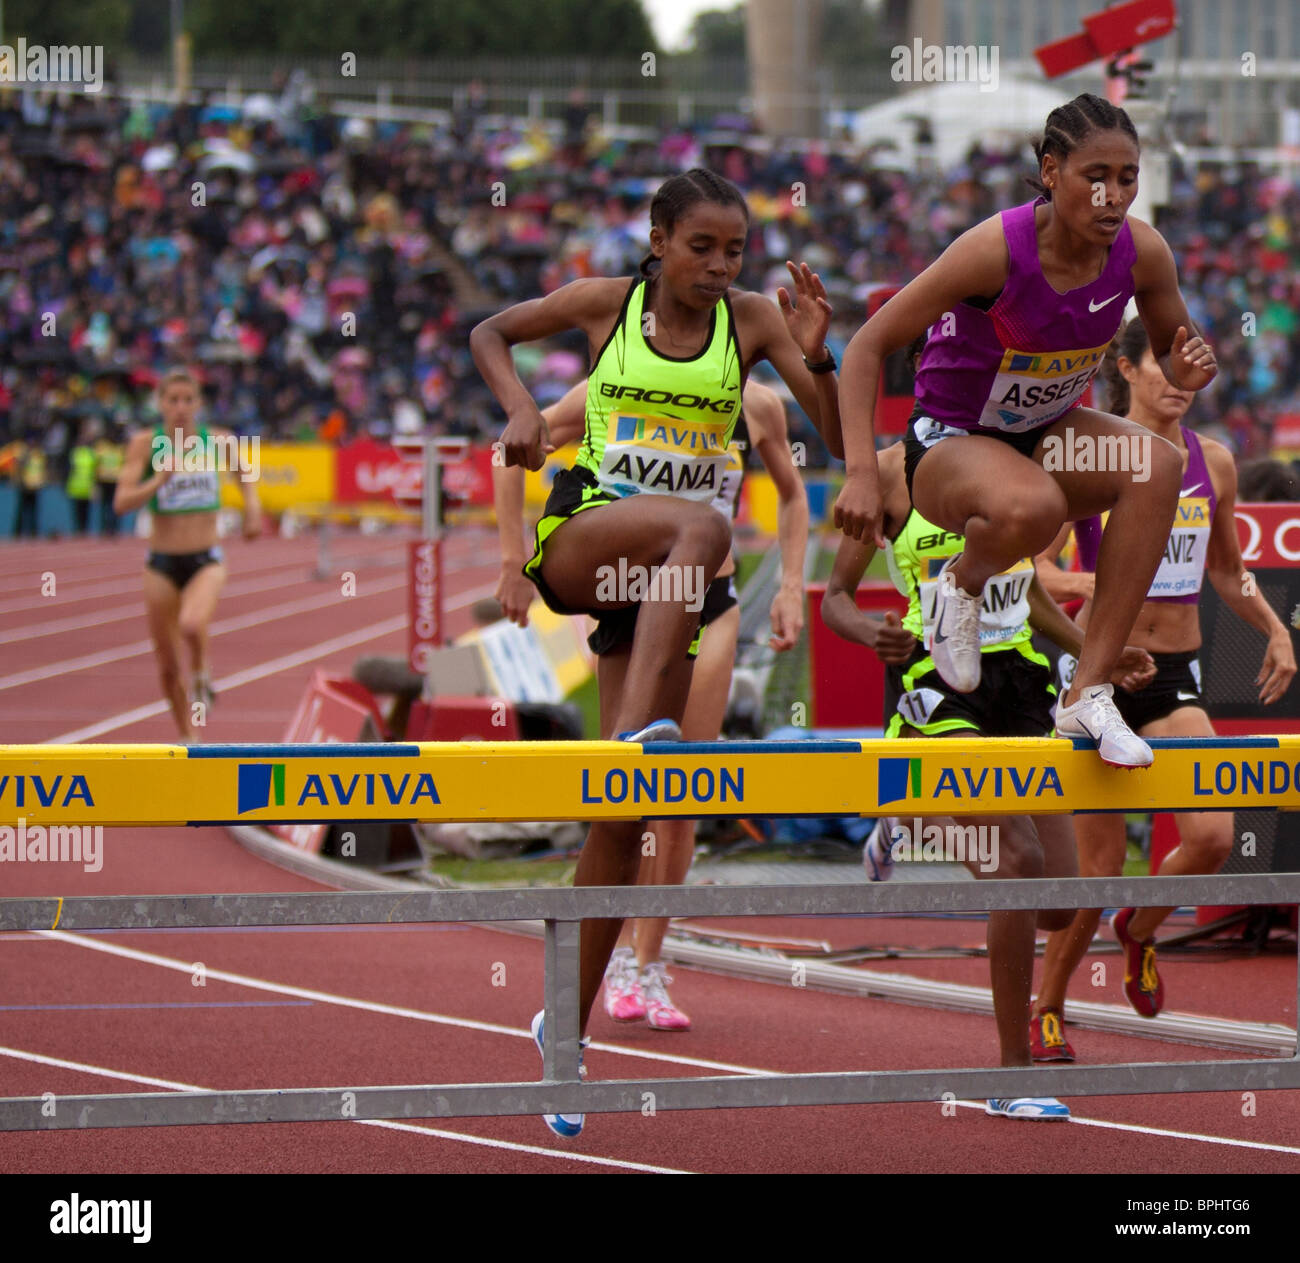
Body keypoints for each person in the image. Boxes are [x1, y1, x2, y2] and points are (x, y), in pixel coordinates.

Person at [471, 167, 842, 1136]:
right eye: (700, 248)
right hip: (591, 540)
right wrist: (517, 408)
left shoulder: (755, 322)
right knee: (701, 527)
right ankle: (636, 738)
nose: (720, 268)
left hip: (675, 588)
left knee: (621, 827)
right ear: (658, 240)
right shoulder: (607, 305)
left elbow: (838, 437)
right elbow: (489, 332)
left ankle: (565, 1026)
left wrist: (820, 354)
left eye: (734, 251)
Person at [832, 93, 1218, 769]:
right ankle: (962, 582)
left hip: (1044, 432)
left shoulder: (1142, 254)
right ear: (1050, 171)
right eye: (1096, 175)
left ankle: (1086, 692)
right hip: (949, 441)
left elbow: (1175, 349)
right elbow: (867, 345)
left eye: (1129, 177)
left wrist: (1190, 363)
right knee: (1034, 504)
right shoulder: (993, 250)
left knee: (1158, 465)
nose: (1114, 194)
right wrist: (864, 472)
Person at [823, 402, 1153, 1122]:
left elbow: (1026, 590)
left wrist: (1091, 650)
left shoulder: (1022, 459)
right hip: (937, 679)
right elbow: (836, 599)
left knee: (1061, 903)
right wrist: (868, 634)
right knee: (1015, 861)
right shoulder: (888, 470)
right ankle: (1011, 1071)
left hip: (1023, 679)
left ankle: (906, 810)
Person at [494, 377, 809, 1032]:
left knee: (683, 790)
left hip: (712, 600)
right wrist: (510, 561)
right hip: (630, 595)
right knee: (626, 788)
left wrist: (790, 585)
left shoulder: (758, 405)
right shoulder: (619, 380)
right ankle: (606, 955)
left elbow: (791, 491)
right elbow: (510, 451)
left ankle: (648, 960)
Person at [1029, 320, 1296, 1056]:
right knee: (1099, 868)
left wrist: (1274, 625)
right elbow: (1035, 569)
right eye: (1165, 366)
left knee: (1212, 836)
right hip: (1099, 674)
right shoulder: (1093, 455)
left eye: (1192, 369)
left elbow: (1225, 569)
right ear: (1126, 366)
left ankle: (1139, 929)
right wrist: (1084, 578)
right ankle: (1047, 1005)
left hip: (1176, 676)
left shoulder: (1213, 461)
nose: (1181, 381)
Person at [113, 369, 262, 741]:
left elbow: (246, 477)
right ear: (160, 404)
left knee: (192, 626)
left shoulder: (219, 442)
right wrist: (157, 481)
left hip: (205, 558)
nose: (180, 408)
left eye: (187, 400)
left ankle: (201, 671)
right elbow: (121, 502)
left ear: (199, 404)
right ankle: (187, 737)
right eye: (172, 400)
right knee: (165, 666)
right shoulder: (147, 444)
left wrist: (252, 512)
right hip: (161, 563)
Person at [66, 420, 97, 535]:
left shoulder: (90, 453)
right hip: (76, 486)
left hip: (86, 487)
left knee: (86, 511)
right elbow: (69, 470)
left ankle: (84, 530)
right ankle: (78, 530)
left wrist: (94, 486)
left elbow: (94, 471)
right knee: (77, 511)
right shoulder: (75, 453)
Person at [94, 422, 125, 536]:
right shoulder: (103, 446)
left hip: (115, 480)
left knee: (113, 505)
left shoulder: (119, 448)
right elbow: (96, 463)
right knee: (105, 505)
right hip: (104, 480)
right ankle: (105, 529)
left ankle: (113, 529)